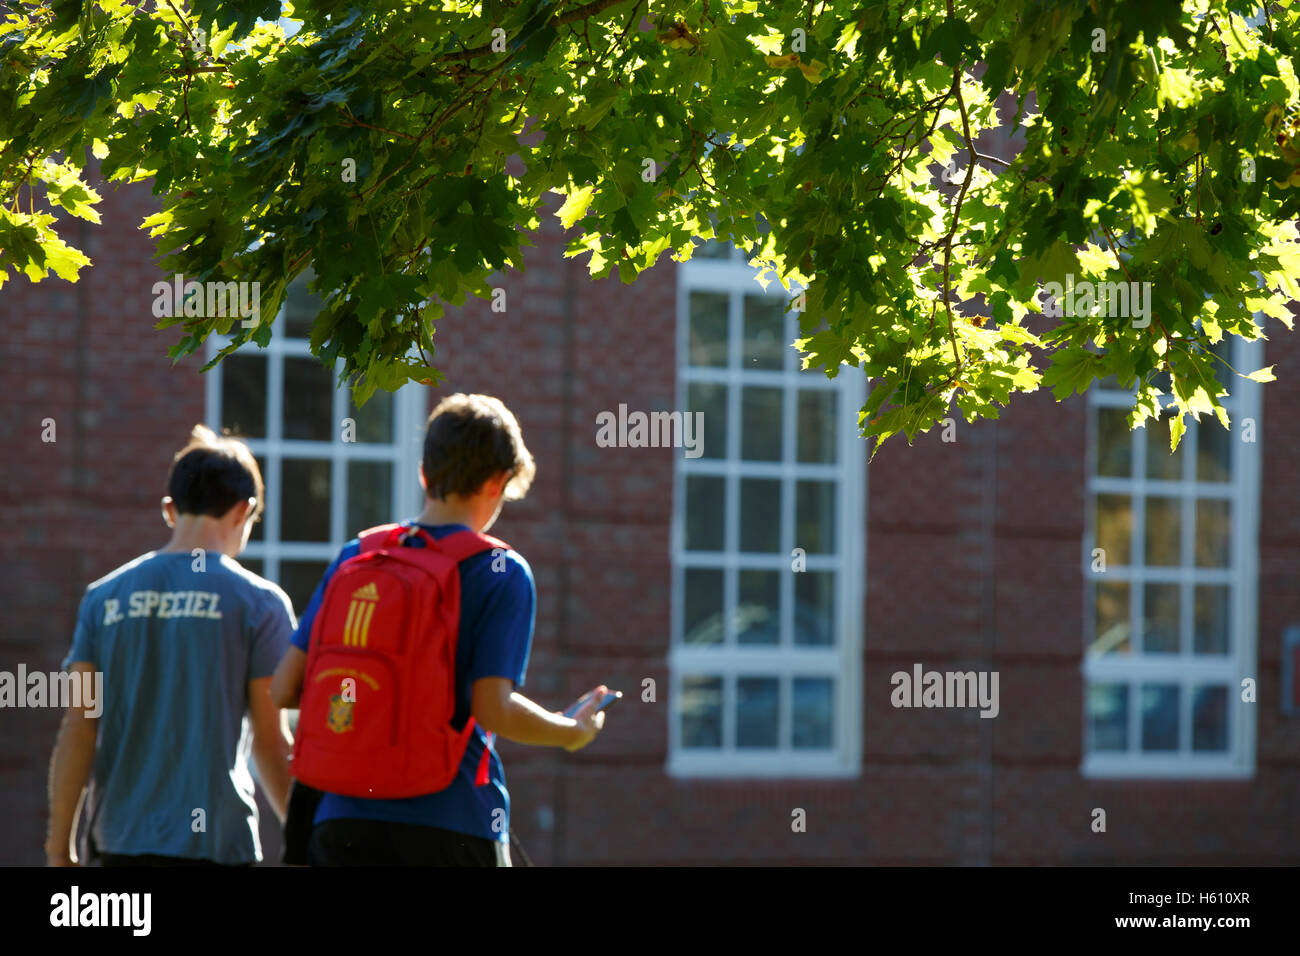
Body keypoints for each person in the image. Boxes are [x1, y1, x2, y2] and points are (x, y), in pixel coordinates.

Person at [271, 392, 607, 867]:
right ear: (498, 482)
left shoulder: (359, 555)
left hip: (341, 819)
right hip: (452, 822)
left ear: (424, 473)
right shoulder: (501, 570)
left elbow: (284, 687)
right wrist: (570, 731)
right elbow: (494, 709)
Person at [46, 425, 296, 866]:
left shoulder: (103, 598)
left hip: (120, 842)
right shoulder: (260, 604)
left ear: (169, 510)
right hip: (217, 843)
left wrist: (58, 846)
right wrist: (304, 833)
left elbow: (79, 728)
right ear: (244, 510)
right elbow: (271, 743)